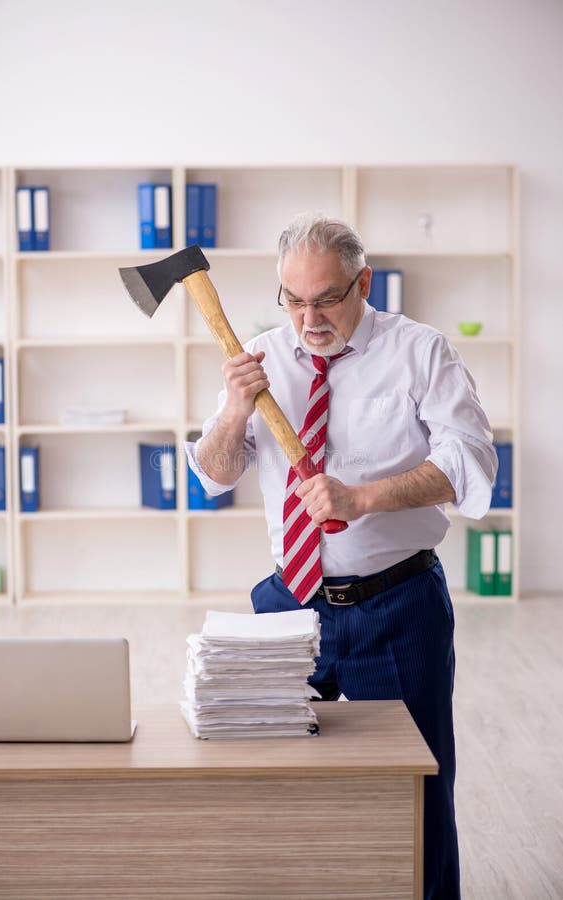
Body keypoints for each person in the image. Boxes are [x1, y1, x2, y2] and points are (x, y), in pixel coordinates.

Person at [186, 212, 497, 900]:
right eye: (293, 300)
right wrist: (235, 410)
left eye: (325, 297)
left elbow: (470, 462)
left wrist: (364, 499)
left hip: (398, 603)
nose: (308, 317)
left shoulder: (420, 351)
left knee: (418, 788)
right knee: (263, 782)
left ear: (362, 282)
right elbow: (208, 476)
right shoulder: (259, 357)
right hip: (286, 603)